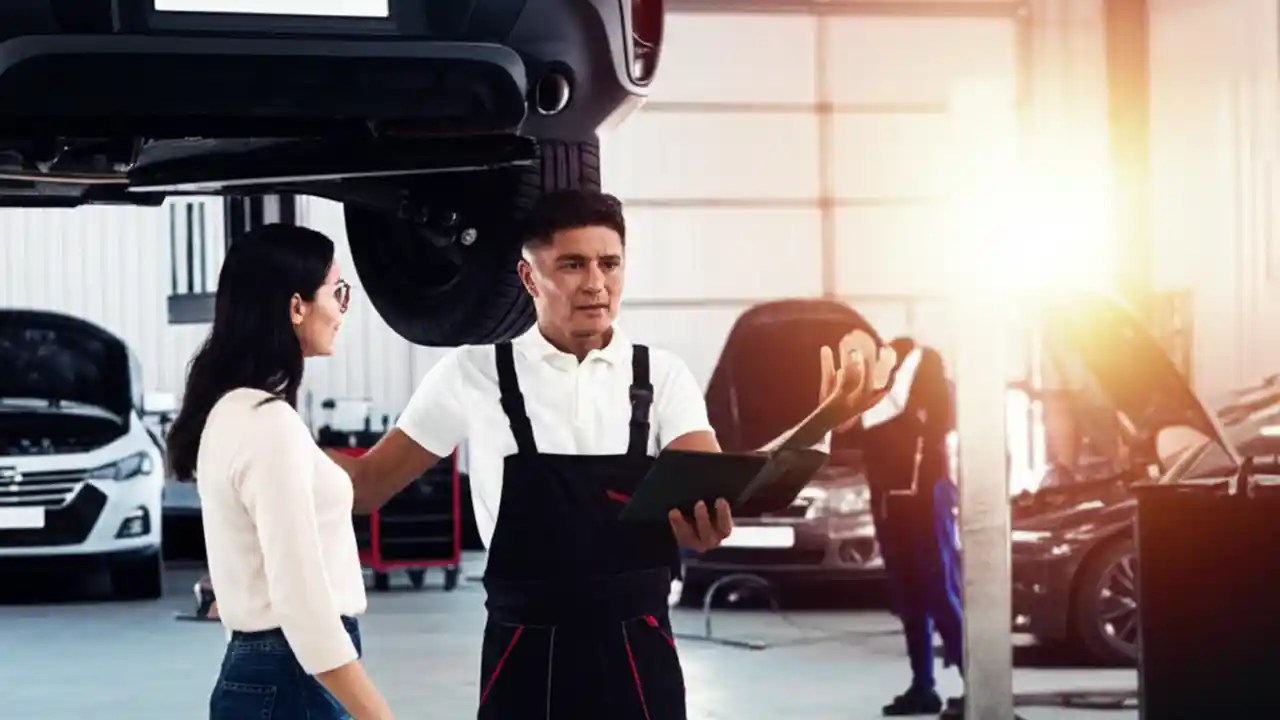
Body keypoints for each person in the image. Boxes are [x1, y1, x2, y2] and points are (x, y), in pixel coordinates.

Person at [327, 189, 896, 720]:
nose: (595, 283)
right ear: (528, 276)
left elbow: (722, 484)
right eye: (572, 265)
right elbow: (367, 486)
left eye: (610, 263)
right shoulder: (473, 374)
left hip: (638, 650)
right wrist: (278, 433)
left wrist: (823, 421)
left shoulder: (661, 375)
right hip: (525, 652)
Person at [166, 224, 394, 720]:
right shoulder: (268, 423)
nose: (342, 310)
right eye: (337, 292)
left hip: (263, 668)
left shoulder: (231, 412)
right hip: (296, 675)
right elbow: (302, 601)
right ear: (296, 307)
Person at [860, 337, 965, 717]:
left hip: (924, 499)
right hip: (891, 504)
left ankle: (978, 684)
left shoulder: (925, 372)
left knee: (938, 592)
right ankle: (923, 687)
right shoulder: (880, 392)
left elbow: (941, 420)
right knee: (909, 599)